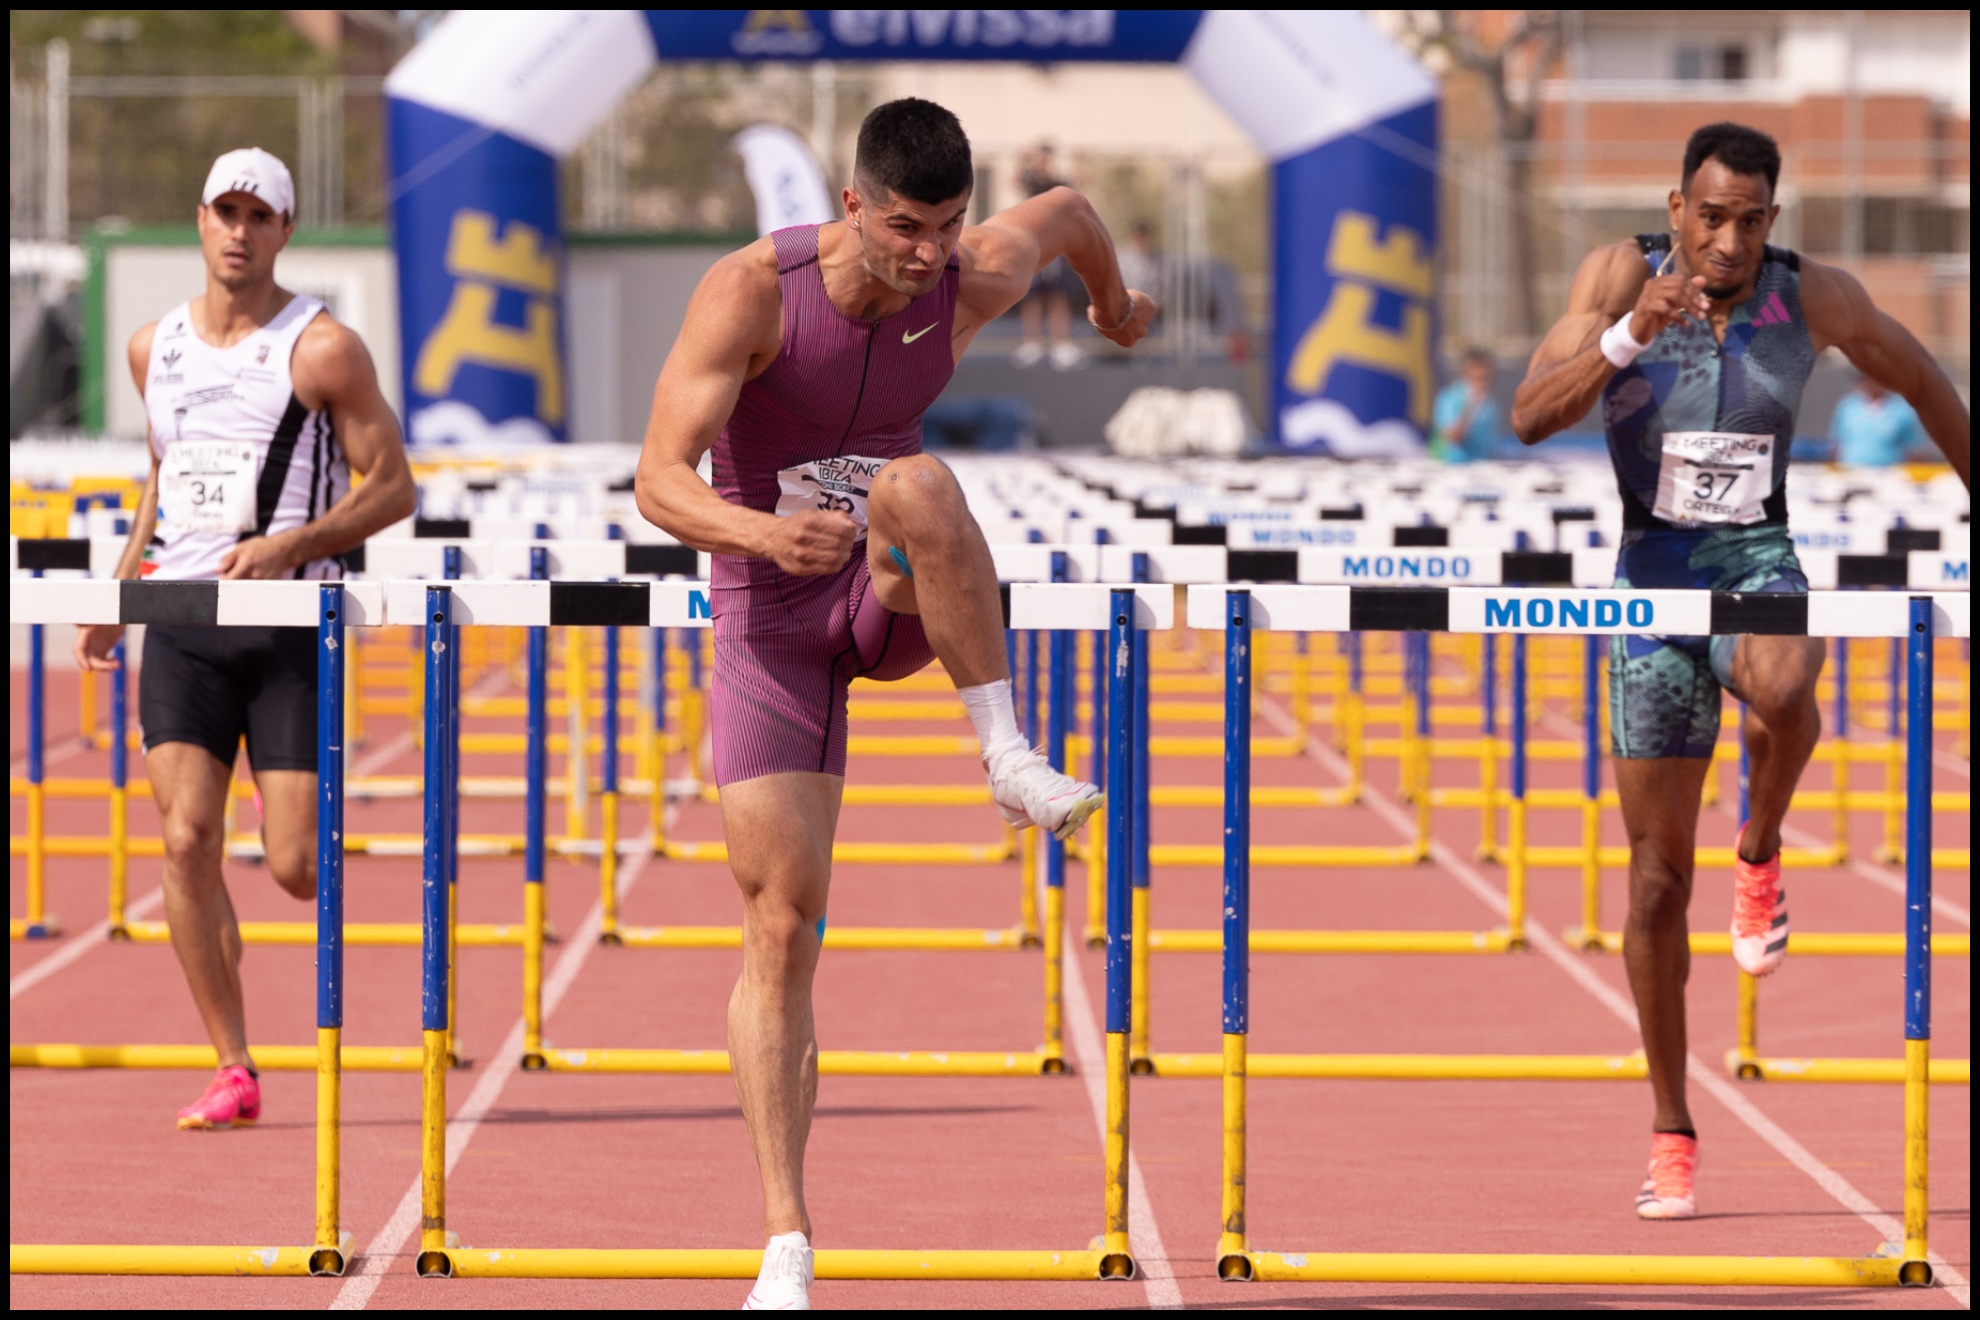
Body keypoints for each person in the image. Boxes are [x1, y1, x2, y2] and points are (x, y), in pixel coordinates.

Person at [634, 97, 1155, 1309]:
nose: (930, 254)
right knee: (781, 924)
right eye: (908, 228)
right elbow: (659, 479)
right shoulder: (753, 293)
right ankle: (786, 1242)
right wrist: (763, 534)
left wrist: (1113, 305)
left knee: (917, 484)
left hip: (887, 590)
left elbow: (1071, 213)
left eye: (949, 227)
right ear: (854, 206)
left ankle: (1007, 757)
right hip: (771, 616)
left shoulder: (968, 276)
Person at [1511, 121, 1968, 1222]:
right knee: (1655, 885)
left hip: (1757, 554)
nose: (1728, 242)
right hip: (1650, 575)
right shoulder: (1616, 275)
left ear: (1773, 218)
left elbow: (1923, 380)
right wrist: (1629, 332)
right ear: (1677, 208)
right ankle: (1672, 1127)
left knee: (1787, 682)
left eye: (1750, 222)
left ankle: (1759, 848)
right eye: (1711, 218)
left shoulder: (1812, 296)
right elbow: (1528, 417)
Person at [70, 148, 415, 1131]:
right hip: (183, 625)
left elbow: (394, 488)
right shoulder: (155, 348)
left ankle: (281, 799)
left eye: (259, 216)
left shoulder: (323, 349)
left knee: (296, 869)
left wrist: (290, 545)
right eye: (225, 211)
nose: (239, 231)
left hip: (287, 626)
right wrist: (122, 588)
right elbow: (161, 479)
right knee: (185, 840)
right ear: (200, 219)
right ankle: (233, 1064)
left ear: (285, 232)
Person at [1012, 142, 1085, 370]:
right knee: (1032, 294)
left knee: (1058, 294)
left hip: (1054, 243)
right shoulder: (1032, 179)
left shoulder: (1057, 183)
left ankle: (1061, 343)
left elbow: (1080, 183)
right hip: (1033, 242)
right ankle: (1032, 342)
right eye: (1041, 157)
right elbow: (1015, 180)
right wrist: (1022, 159)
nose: (1044, 162)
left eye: (1047, 157)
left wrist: (1080, 160)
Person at [1830, 374, 1927, 468]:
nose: (1872, 384)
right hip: (1852, 469)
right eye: (1867, 380)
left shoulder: (1900, 409)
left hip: (1888, 471)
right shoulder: (1848, 406)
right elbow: (1836, 442)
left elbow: (1913, 448)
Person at [1428, 348, 1499, 463]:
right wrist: (1471, 406)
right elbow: (1452, 437)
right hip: (1454, 467)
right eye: (1479, 378)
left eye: (1486, 377)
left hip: (1481, 466)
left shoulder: (1489, 402)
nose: (1483, 382)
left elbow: (1488, 443)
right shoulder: (1450, 397)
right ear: (1466, 373)